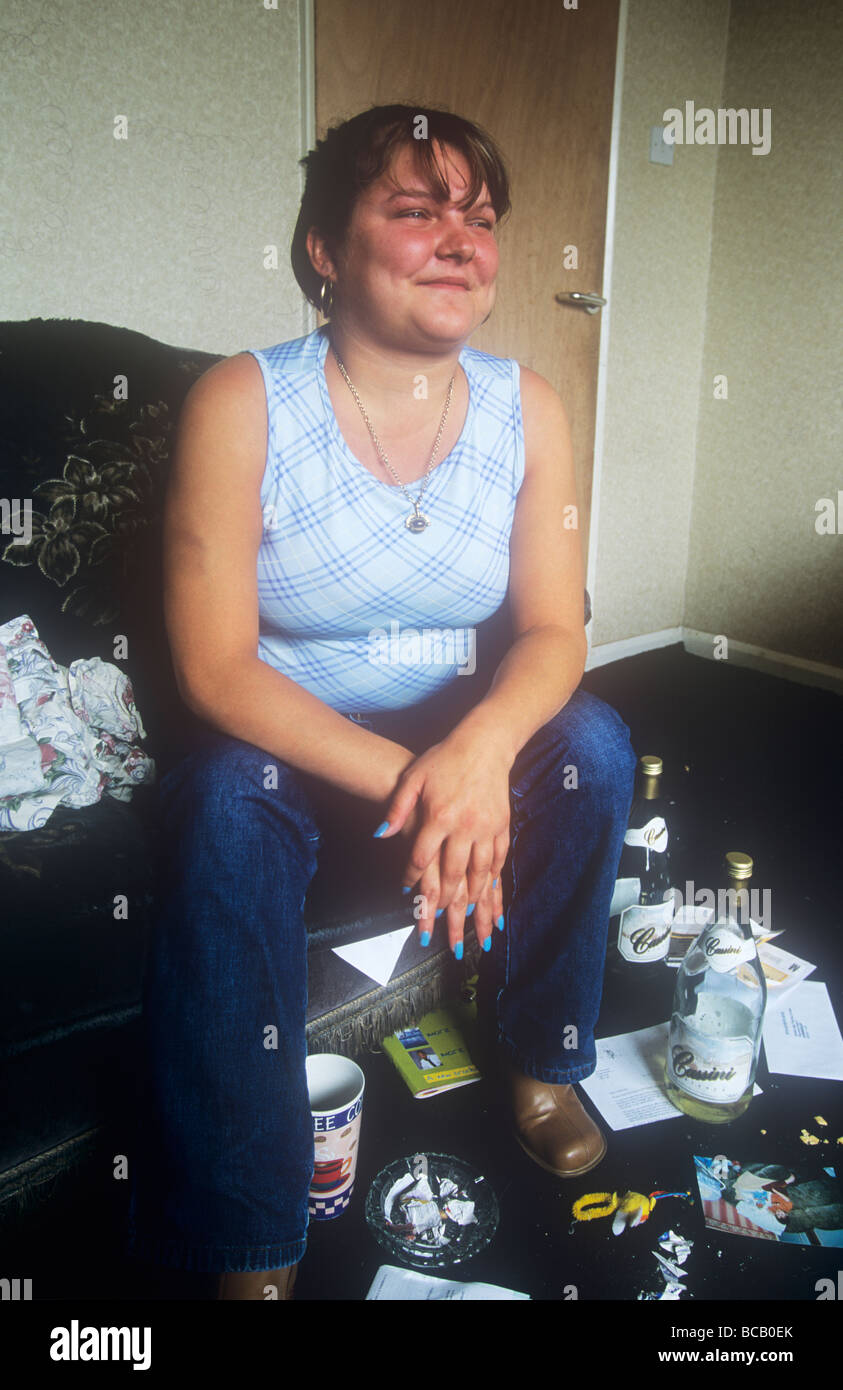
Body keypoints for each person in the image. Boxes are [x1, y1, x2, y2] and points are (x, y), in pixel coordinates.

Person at [125, 104, 637, 1300]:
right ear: (323, 250)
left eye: (479, 217)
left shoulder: (533, 409)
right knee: (216, 807)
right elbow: (214, 669)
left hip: (461, 718)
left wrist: (479, 750)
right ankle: (246, 1224)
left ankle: (542, 1062)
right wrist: (437, 786)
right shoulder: (242, 403)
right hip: (289, 741)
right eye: (415, 212)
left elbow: (558, 629)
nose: (460, 241)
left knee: (594, 747)